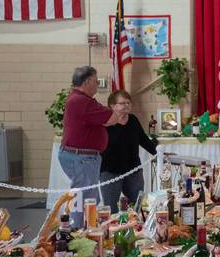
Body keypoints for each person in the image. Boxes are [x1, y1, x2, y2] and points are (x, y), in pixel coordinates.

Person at [59, 66, 125, 226]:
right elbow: (110, 118)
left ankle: (86, 228)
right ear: (87, 81)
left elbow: (103, 116)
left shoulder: (79, 99)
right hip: (82, 158)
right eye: (95, 81)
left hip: (81, 156)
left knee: (88, 196)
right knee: (84, 198)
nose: (97, 84)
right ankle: (78, 231)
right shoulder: (82, 101)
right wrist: (117, 111)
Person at [100, 89, 157, 209]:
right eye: (123, 103)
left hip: (133, 170)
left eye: (129, 103)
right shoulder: (105, 123)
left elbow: (144, 140)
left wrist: (158, 153)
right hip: (110, 171)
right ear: (113, 106)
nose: (127, 105)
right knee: (110, 207)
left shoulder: (133, 120)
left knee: (137, 205)